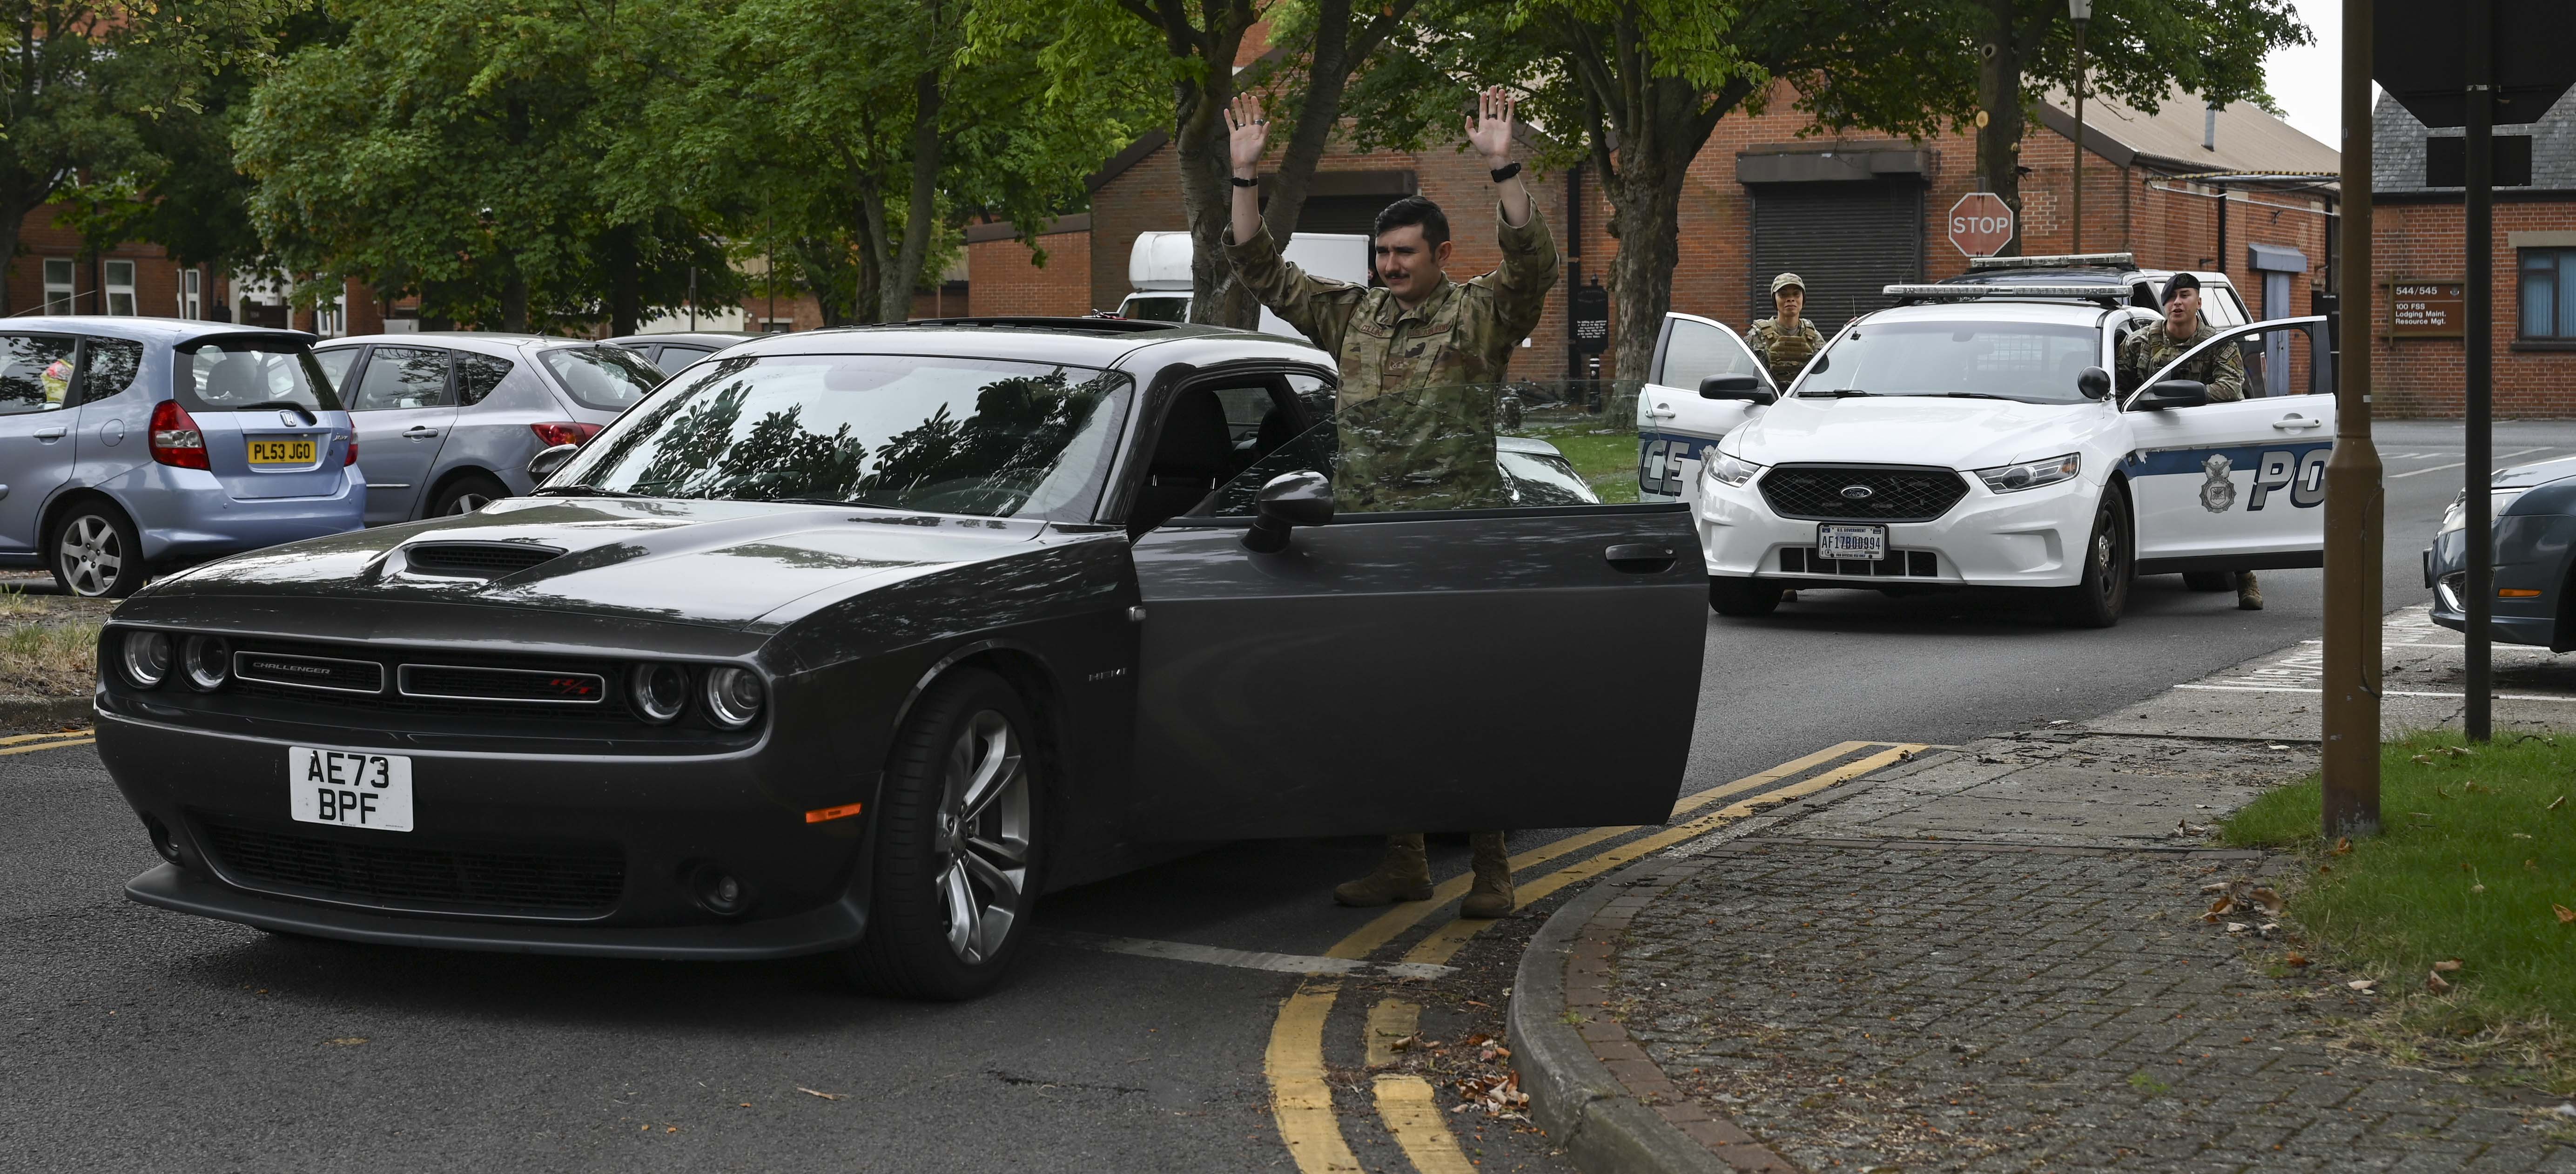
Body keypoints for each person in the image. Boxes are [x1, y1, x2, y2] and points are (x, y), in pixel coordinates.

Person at [1223, 84, 1558, 918]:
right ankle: (1403, 860)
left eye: (1406, 254)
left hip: (1458, 543)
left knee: (1469, 709)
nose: (1390, 266)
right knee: (1384, 705)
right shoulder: (1354, 319)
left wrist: (1503, 165)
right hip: (1373, 542)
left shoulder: (1480, 315)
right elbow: (1260, 269)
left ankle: (1491, 868)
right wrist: (1243, 178)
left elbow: (1536, 266)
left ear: (1441, 253)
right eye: (1383, 254)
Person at [2119, 271, 2259, 610]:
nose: (2176, 303)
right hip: (2152, 438)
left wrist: (2183, 398)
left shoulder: (2218, 343)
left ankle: (2246, 577)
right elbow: (2119, 392)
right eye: (2170, 298)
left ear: (2198, 302)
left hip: (2208, 438)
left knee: (2223, 506)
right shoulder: (2139, 342)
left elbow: (2230, 389)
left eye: (2184, 296)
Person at [1746, 273, 1824, 389]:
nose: (1791, 299)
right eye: (1783, 295)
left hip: (1805, 402)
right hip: (1769, 404)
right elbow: (1739, 376)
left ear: (1803, 298)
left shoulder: (1814, 336)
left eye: (1796, 294)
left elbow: (1831, 372)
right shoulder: (1757, 335)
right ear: (1775, 300)